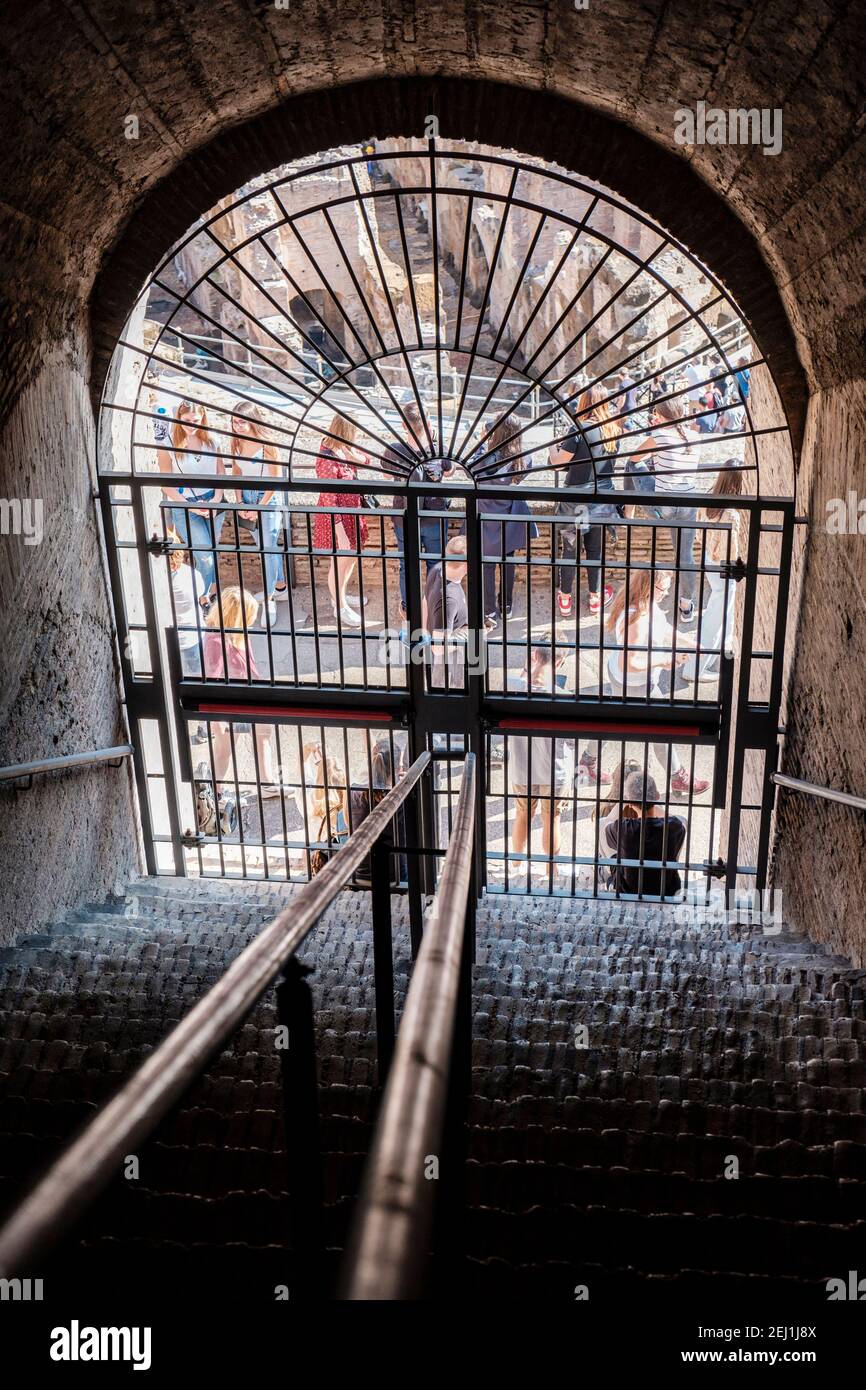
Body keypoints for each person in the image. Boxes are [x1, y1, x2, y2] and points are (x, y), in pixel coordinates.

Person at [605, 568, 709, 795]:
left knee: (648, 727)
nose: (667, 593)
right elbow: (629, 662)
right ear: (650, 587)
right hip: (633, 683)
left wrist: (690, 643)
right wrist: (663, 661)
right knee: (657, 729)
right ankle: (678, 777)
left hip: (634, 678)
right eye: (664, 589)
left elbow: (662, 627)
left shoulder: (645, 605)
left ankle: (587, 761)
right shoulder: (637, 620)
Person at [639, 397, 716, 621]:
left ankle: (627, 508)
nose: (654, 417)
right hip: (688, 504)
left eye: (656, 414)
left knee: (633, 466)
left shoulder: (660, 435)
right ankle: (686, 605)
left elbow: (634, 457)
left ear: (662, 416)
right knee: (685, 557)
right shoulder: (694, 436)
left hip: (664, 508)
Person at [549, 385, 620, 617]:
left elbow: (559, 463)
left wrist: (552, 447)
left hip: (576, 503)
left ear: (584, 403)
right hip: (601, 502)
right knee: (594, 551)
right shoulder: (614, 431)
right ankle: (595, 600)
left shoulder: (577, 430)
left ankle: (566, 600)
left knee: (569, 550)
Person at [507, 647, 576, 886]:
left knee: (522, 815)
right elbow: (570, 741)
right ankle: (550, 872)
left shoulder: (512, 688)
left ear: (534, 655)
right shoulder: (563, 696)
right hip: (553, 770)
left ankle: (515, 866)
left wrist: (526, 672)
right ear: (559, 663)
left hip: (522, 766)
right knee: (551, 819)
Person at [201, 586, 279, 794]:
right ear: (236, 615)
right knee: (224, 750)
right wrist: (217, 719)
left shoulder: (237, 632)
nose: (253, 619)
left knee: (263, 734)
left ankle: (267, 783)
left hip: (249, 695)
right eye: (249, 615)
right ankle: (214, 792)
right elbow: (211, 680)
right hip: (229, 704)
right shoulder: (215, 640)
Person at [157, 398, 228, 609]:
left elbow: (221, 473)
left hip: (214, 501)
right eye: (186, 420)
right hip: (185, 505)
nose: (190, 424)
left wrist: (215, 501)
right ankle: (204, 598)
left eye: (195, 420)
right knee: (204, 555)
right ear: (178, 418)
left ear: (203, 417)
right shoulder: (168, 443)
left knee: (211, 551)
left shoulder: (213, 440)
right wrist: (191, 505)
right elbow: (165, 484)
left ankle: (212, 590)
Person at [228, 400, 288, 629]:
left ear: (253, 420)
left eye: (242, 421)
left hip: (267, 498)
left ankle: (270, 600)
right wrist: (240, 501)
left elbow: (275, 480)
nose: (238, 426)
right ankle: (279, 586)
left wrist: (257, 507)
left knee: (267, 548)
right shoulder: (236, 442)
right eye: (235, 421)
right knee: (266, 548)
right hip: (248, 497)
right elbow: (236, 472)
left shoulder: (268, 445)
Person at [681, 462, 744, 680]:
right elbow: (732, 550)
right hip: (723, 568)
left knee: (722, 612)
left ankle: (722, 650)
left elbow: (699, 535)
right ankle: (693, 669)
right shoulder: (730, 514)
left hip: (709, 560)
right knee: (713, 619)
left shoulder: (710, 500)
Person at [480, 417, 538, 626]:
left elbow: (472, 468)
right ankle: (506, 605)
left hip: (486, 516)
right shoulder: (522, 460)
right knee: (507, 561)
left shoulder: (483, 458)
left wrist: (485, 438)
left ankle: (489, 611)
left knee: (486, 565)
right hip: (509, 516)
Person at [313, 414, 370, 627]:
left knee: (351, 559)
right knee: (339, 563)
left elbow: (367, 461)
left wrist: (352, 454)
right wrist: (340, 532)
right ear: (345, 432)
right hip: (336, 520)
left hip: (352, 513)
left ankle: (342, 595)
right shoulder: (327, 457)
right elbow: (329, 498)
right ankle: (340, 607)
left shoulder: (344, 449)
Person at [602, 770, 686, 897]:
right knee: (682, 821)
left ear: (629, 802)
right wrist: (652, 802)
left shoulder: (623, 829)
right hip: (667, 890)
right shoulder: (674, 826)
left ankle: (608, 875)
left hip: (628, 891)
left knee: (602, 823)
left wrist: (626, 801)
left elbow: (606, 823)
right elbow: (680, 820)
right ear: (657, 796)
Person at [425, 536, 469, 688]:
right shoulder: (448, 601)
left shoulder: (437, 568)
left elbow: (425, 601)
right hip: (450, 659)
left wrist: (426, 632)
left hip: (446, 644)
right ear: (466, 566)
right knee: (452, 691)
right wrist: (470, 636)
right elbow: (438, 648)